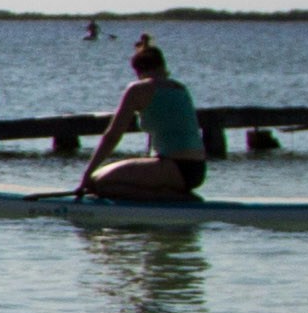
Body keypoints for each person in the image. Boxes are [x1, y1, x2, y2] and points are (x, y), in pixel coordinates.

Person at [71, 37, 208, 204]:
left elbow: (112, 135)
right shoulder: (180, 88)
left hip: (173, 168)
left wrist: (87, 175)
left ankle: (173, 198)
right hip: (197, 170)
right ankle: (172, 193)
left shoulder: (138, 89)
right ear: (162, 66)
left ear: (137, 70)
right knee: (111, 177)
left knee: (99, 182)